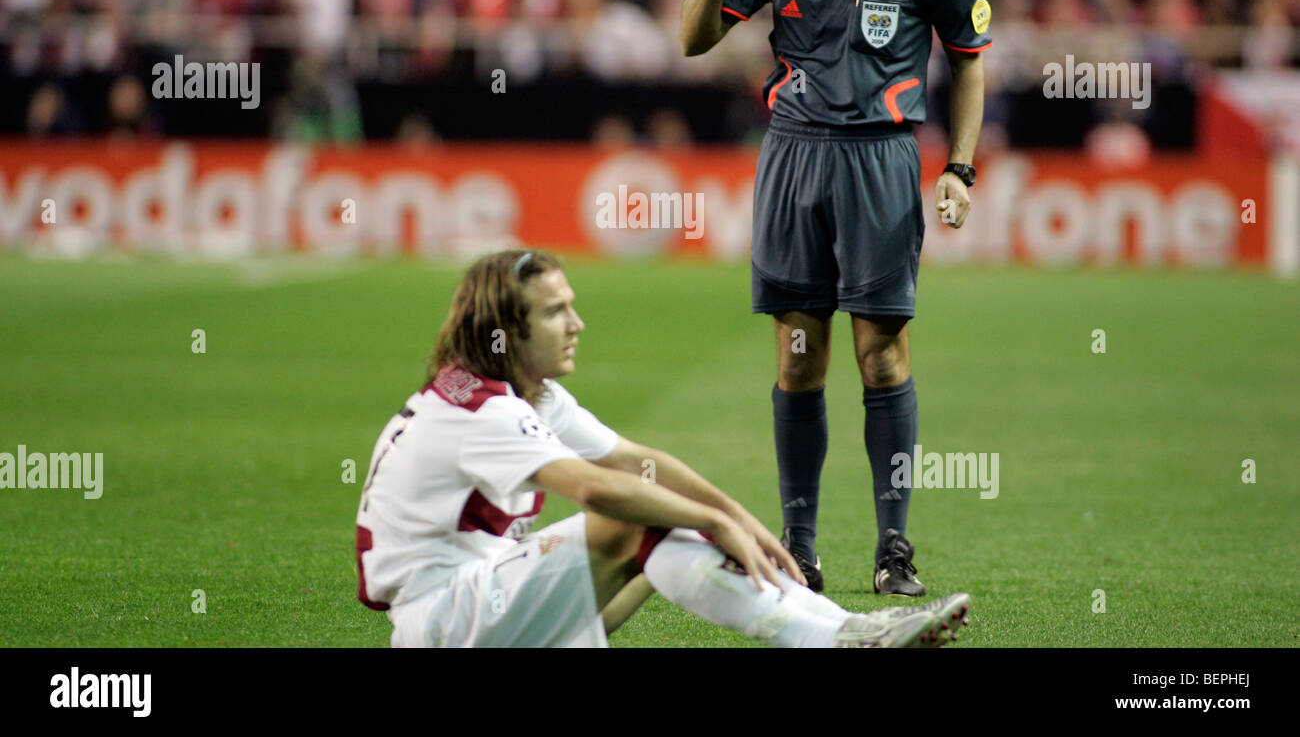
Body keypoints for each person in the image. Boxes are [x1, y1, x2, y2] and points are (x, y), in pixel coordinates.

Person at [679, 0, 991, 596]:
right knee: (799, 358)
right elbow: (692, 39)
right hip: (792, 158)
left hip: (880, 161)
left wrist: (958, 166)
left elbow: (968, 56)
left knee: (882, 355)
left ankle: (894, 549)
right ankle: (800, 547)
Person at [355, 248, 972, 647]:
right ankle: (839, 639)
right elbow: (598, 489)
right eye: (554, 313)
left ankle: (847, 629)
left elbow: (640, 463)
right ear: (507, 331)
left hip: (483, 607)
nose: (577, 324)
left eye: (572, 306)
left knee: (662, 532)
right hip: (447, 622)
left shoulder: (523, 394)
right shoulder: (480, 411)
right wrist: (709, 519)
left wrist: (736, 518)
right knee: (637, 522)